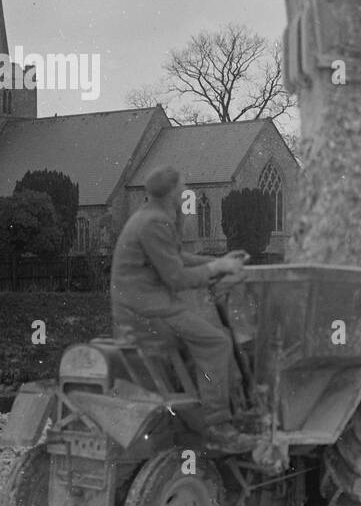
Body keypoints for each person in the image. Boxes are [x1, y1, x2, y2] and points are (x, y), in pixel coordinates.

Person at [111, 165, 259, 453]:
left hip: (140, 306)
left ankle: (208, 409)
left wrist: (219, 262)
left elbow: (175, 257)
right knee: (217, 342)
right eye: (183, 186)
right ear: (172, 193)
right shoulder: (156, 222)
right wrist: (215, 268)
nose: (185, 190)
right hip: (147, 312)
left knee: (204, 338)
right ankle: (218, 427)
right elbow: (176, 278)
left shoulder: (148, 216)